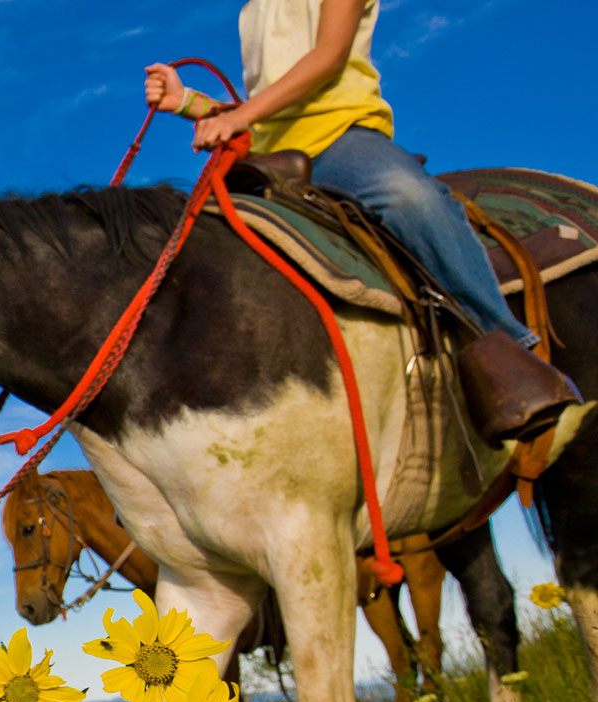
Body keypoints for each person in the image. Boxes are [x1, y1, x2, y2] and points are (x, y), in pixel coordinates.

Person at [144, 0, 579, 447]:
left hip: (338, 138)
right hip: (270, 154)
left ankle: (509, 350)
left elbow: (327, 59)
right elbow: (268, 100)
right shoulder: (253, 9)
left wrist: (240, 116)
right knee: (191, 251)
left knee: (410, 199)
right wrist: (190, 103)